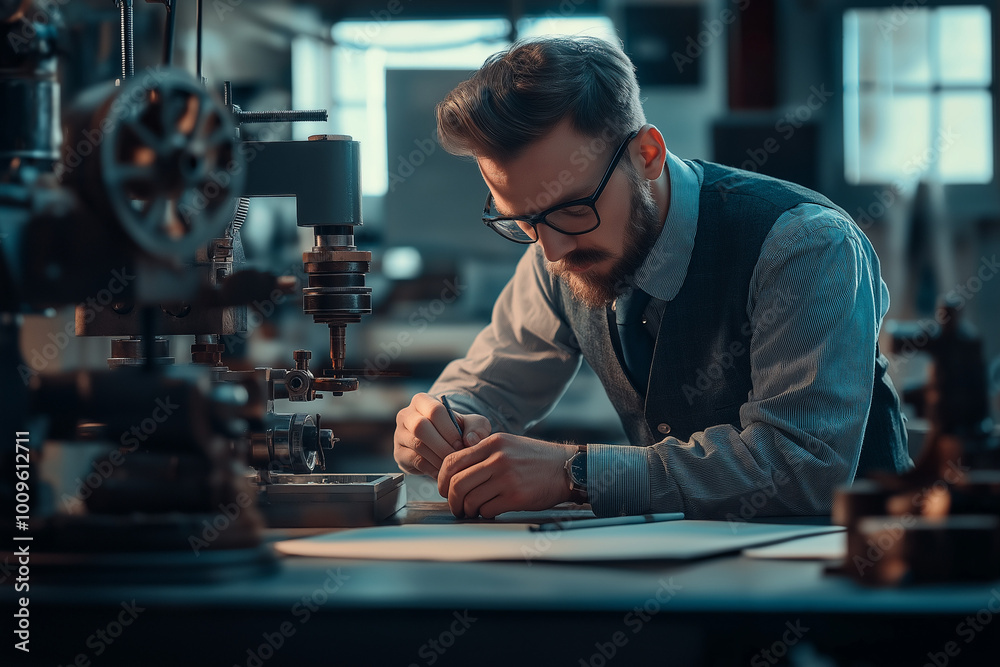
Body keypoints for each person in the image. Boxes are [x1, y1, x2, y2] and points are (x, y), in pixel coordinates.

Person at [393, 36, 912, 520]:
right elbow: (488, 387)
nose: (550, 250)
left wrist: (574, 473)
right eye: (521, 219)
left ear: (647, 154)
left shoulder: (802, 243)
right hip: (677, 578)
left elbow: (802, 468)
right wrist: (442, 424)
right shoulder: (558, 241)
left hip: (852, 578)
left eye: (573, 208)